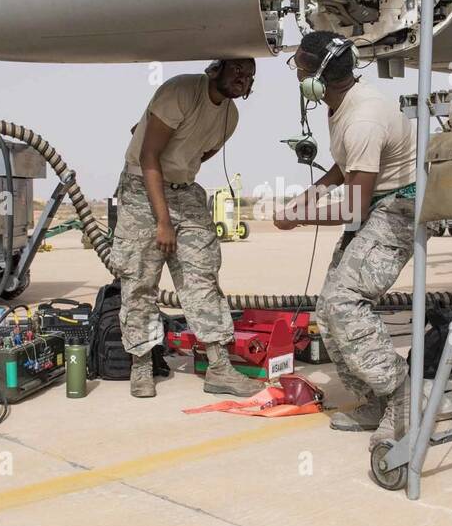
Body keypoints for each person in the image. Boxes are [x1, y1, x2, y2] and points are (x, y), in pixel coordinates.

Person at [274, 31, 417, 449]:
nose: (297, 74)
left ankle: (402, 397)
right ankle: (374, 397)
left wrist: (299, 218)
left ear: (318, 78)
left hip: (397, 211)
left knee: (344, 302)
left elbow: (354, 207)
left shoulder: (363, 118)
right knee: (328, 308)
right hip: (377, 206)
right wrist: (311, 195)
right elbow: (345, 166)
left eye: (300, 67)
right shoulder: (345, 102)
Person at [111, 59, 261, 399]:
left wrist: (181, 176)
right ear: (216, 69)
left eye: (250, 75)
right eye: (237, 69)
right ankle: (141, 365)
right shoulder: (180, 91)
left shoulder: (230, 117)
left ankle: (219, 367)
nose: (244, 78)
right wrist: (163, 222)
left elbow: (202, 153)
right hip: (142, 187)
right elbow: (149, 155)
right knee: (139, 281)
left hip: (184, 192)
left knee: (202, 278)